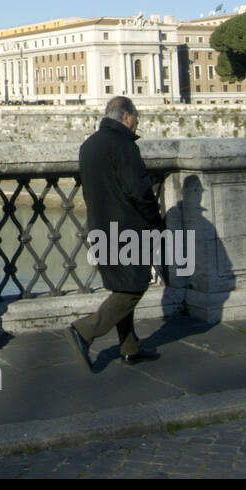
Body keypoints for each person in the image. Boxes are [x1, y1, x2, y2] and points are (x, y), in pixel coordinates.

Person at [68, 96, 164, 371]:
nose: (137, 124)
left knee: (123, 284)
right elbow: (139, 190)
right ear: (126, 117)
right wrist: (154, 220)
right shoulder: (123, 145)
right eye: (136, 118)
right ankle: (84, 330)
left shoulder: (89, 145)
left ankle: (129, 346)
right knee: (135, 285)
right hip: (127, 226)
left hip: (100, 225)